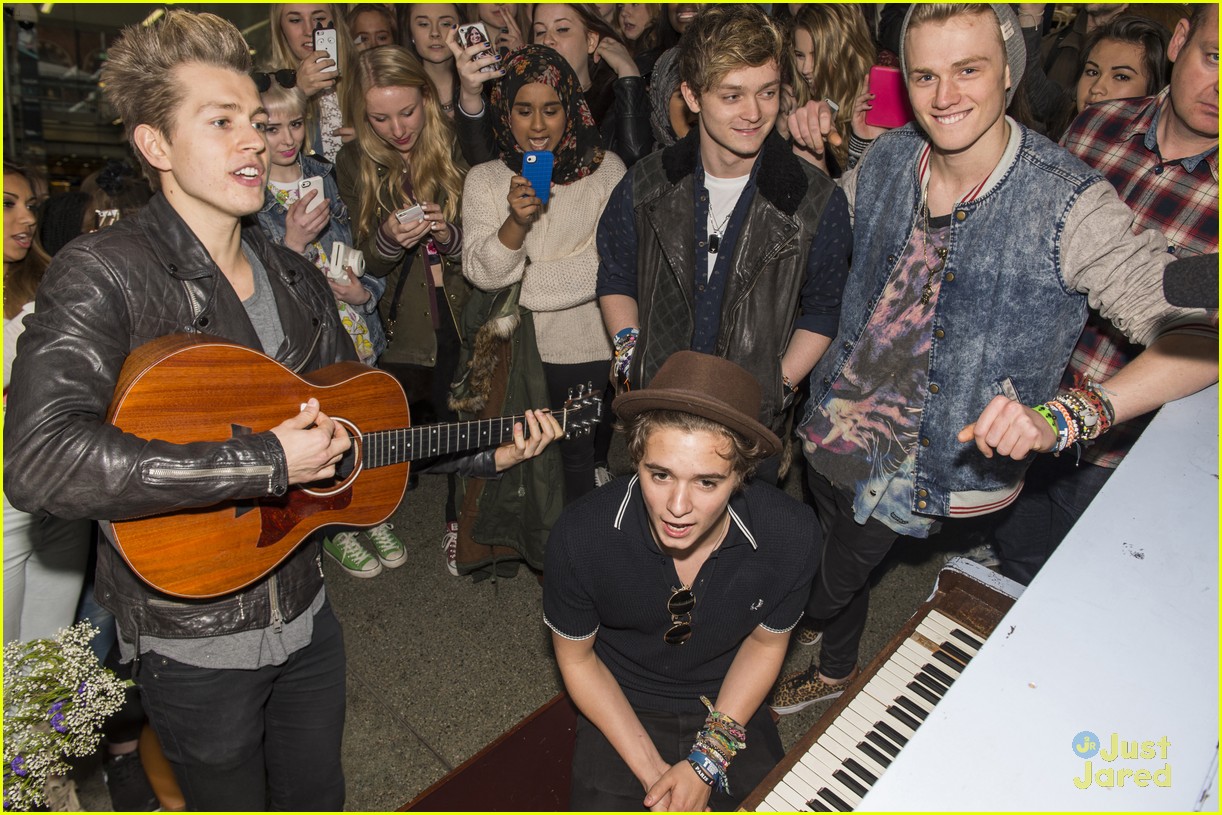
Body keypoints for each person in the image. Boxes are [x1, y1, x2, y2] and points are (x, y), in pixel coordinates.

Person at [771, 2, 1216, 713]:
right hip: (833, 418)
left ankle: (789, 625)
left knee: (824, 580)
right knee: (828, 535)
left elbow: (1201, 339)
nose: (945, 97)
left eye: (968, 70)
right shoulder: (887, 158)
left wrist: (1071, 414)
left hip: (924, 458)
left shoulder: (1066, 201)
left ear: (1010, 70)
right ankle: (834, 666)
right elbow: (823, 246)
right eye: (926, 76)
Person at [3, 12, 355, 809]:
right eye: (221, 121)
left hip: (307, 608)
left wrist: (479, 447)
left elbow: (359, 409)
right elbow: (40, 458)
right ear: (155, 146)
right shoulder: (104, 273)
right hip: (193, 638)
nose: (255, 142)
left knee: (316, 796)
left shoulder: (290, 273)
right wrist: (265, 460)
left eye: (258, 123)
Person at [989, 3, 1218, 585]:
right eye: (1214, 58)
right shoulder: (1097, 125)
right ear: (1180, 40)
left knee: (1085, 591)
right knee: (1015, 554)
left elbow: (1205, 345)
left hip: (1127, 452)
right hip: (1023, 408)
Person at [543, 351, 820, 811]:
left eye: (706, 483)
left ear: (740, 475)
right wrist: (663, 783)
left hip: (728, 694)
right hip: (620, 697)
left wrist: (706, 762)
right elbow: (577, 662)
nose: (676, 506)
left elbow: (766, 646)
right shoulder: (581, 537)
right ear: (637, 458)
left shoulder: (791, 536)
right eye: (660, 474)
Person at [596, 3, 852, 484]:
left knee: (742, 551)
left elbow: (823, 309)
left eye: (768, 92)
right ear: (692, 95)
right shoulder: (644, 185)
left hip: (751, 424)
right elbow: (616, 275)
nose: (754, 113)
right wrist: (630, 357)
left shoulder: (816, 203)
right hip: (658, 415)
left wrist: (777, 387)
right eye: (732, 95)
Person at [462, 44, 626, 508]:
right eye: (524, 110)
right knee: (516, 458)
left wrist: (523, 282)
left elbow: (607, 267)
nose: (537, 126)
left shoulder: (607, 172)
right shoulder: (485, 180)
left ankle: (577, 559)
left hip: (585, 349)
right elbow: (482, 273)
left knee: (577, 455)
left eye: (551, 110)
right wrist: (514, 224)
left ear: (570, 109)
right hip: (513, 352)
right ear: (504, 112)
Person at [253, 77, 404, 578]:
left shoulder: (325, 174)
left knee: (367, 424)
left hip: (354, 327)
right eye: (270, 128)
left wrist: (365, 296)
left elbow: (363, 255)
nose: (286, 139)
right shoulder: (248, 197)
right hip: (305, 342)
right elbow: (256, 291)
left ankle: (368, 511)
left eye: (295, 123)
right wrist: (293, 243)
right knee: (322, 434)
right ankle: (336, 526)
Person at [335, 45, 472, 574]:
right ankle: (369, 514)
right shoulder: (353, 163)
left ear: (427, 99)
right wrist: (390, 240)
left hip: (465, 304)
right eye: (380, 117)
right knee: (408, 420)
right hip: (403, 318)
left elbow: (493, 238)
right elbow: (359, 258)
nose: (397, 128)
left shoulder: (459, 142)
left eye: (408, 111)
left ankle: (458, 523)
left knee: (469, 417)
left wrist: (450, 234)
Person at [3, 163, 93, 646]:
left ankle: (55, 727)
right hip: (5, 509)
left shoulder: (51, 284)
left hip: (61, 492)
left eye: (30, 206)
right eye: (7, 204)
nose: (26, 219)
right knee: (8, 664)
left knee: (53, 653)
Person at [448, 3, 654, 169]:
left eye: (562, 29)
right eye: (539, 32)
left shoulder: (614, 99)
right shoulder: (518, 100)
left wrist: (628, 72)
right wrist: (470, 93)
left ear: (591, 40)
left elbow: (635, 162)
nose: (548, 39)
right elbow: (485, 163)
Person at [266, 3, 356, 163]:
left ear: (335, 21)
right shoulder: (267, 87)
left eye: (319, 18)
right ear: (281, 28)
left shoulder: (362, 75)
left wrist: (368, 140)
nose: (309, 31)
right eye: (295, 20)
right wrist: (297, 92)